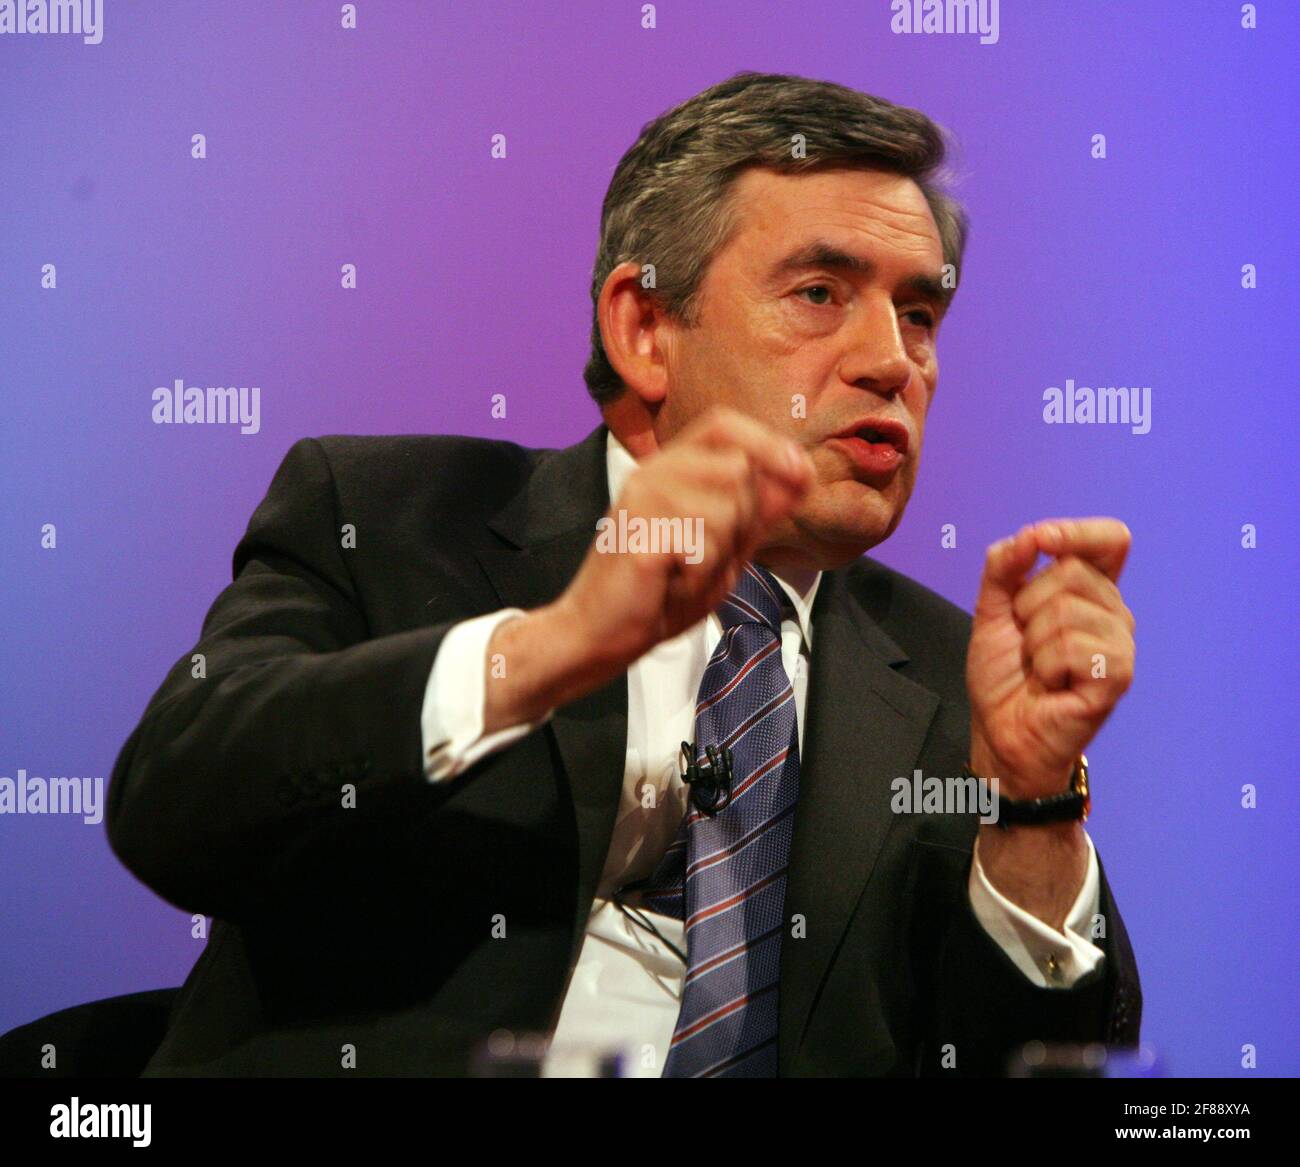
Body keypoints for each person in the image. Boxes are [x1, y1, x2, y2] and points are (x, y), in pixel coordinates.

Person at [107, 72, 1141, 1077]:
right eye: (821, 293)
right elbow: (176, 806)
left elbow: (1036, 1064)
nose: (891, 360)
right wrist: (549, 649)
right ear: (645, 330)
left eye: (918, 315)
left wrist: (1031, 806)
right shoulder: (388, 515)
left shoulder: (953, 676)